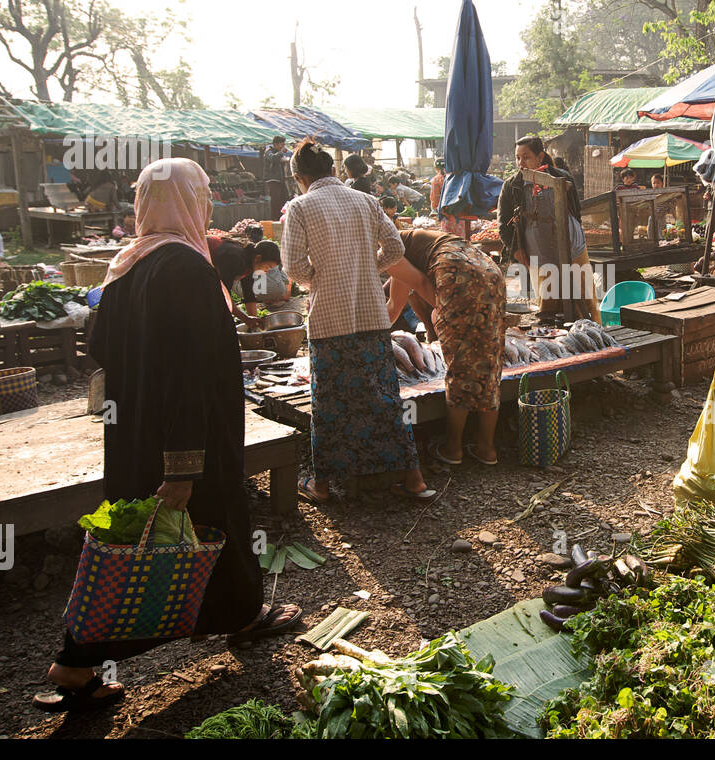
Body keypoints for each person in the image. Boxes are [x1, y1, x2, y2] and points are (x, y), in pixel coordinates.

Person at [33, 159, 300, 713]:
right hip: (188, 435)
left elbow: (99, 349)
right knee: (178, 532)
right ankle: (79, 658)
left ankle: (237, 615)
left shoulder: (125, 264)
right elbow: (189, 372)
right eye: (202, 195)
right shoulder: (185, 267)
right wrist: (182, 468)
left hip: (132, 431)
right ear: (192, 201)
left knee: (149, 539)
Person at [282, 139, 434, 504]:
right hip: (370, 316)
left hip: (328, 321)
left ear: (300, 177)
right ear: (333, 170)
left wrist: (321, 276)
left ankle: (321, 485)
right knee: (384, 396)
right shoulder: (366, 201)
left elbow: (294, 267)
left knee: (329, 402)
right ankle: (413, 480)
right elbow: (395, 249)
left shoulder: (300, 207)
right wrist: (366, 266)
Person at [388, 228, 506, 467]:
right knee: (489, 359)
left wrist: (450, 317)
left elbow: (417, 285)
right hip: (489, 271)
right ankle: (487, 448)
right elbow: (396, 302)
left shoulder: (388, 250)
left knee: (460, 362)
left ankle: (453, 449)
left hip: (458, 273)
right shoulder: (410, 240)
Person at [499, 136, 600, 321]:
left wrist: (575, 235)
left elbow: (576, 212)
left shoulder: (562, 177)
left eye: (526, 157)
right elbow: (503, 224)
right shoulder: (512, 186)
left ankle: (594, 335)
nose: (521, 162)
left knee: (585, 299)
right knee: (548, 303)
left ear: (540, 156)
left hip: (572, 246)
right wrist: (516, 251)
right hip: (538, 250)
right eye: (517, 157)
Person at [209, 235, 282, 328]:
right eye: (268, 266)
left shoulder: (250, 264)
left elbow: (249, 295)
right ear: (258, 258)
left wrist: (254, 323)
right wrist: (245, 319)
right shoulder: (236, 260)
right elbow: (223, 296)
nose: (267, 271)